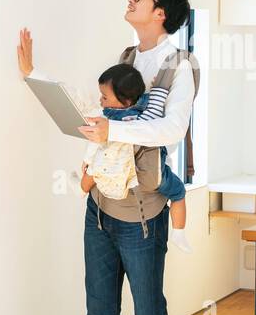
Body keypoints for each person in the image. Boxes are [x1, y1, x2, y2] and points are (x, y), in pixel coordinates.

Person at [17, 0, 197, 315]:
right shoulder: (126, 59)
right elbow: (104, 114)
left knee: (148, 312)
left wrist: (113, 133)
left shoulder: (182, 65)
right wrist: (34, 76)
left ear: (160, 12)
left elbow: (172, 129)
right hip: (99, 209)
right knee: (100, 311)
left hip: (141, 213)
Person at [81, 63, 192, 253]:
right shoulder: (148, 114)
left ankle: (85, 185)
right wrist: (159, 87)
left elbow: (95, 145)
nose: (101, 100)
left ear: (124, 101)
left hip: (115, 179)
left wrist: (87, 161)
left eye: (105, 97)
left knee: (87, 180)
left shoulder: (105, 120)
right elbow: (160, 105)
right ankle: (179, 233)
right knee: (178, 193)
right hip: (151, 177)